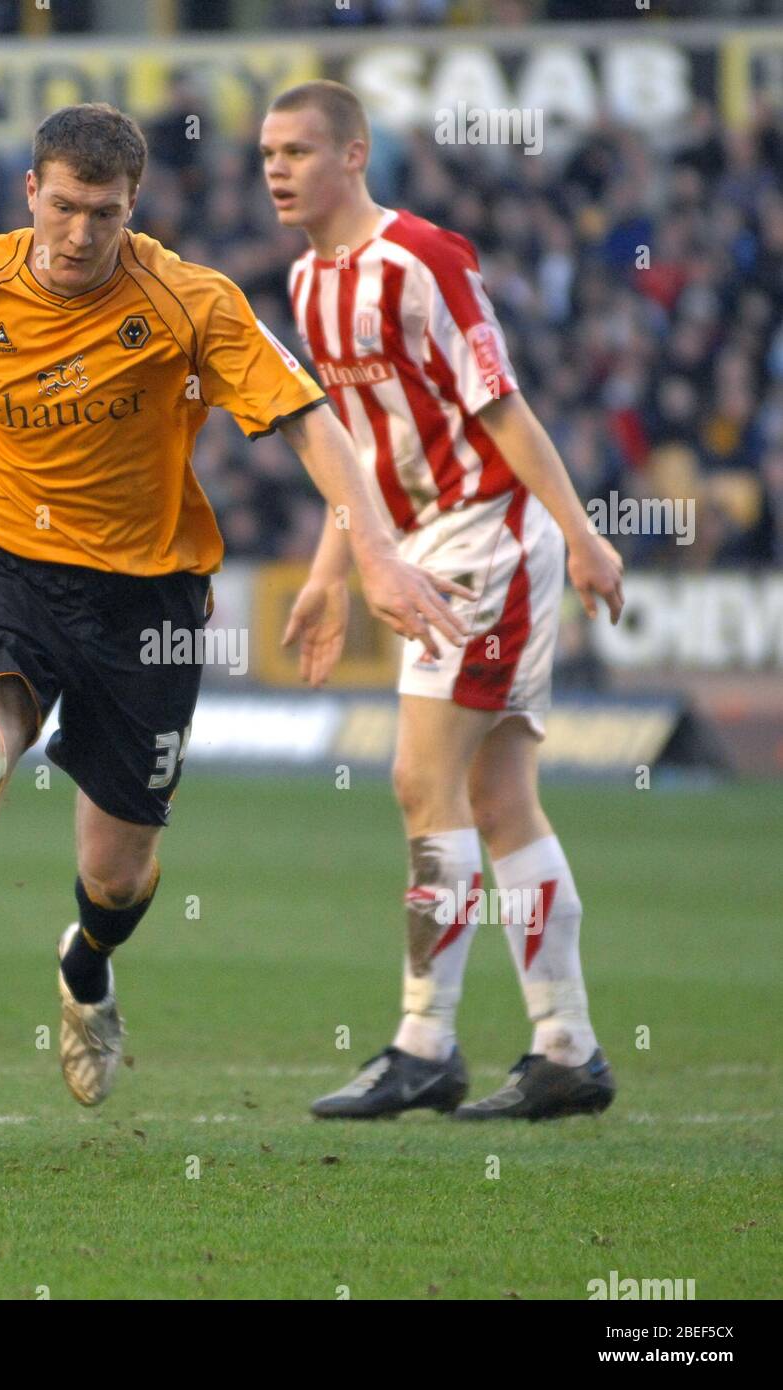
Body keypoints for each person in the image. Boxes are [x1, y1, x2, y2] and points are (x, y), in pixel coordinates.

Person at [0, 103, 470, 1163]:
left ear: (131, 209)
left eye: (101, 214)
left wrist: (375, 554)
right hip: (2, 578)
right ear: (30, 194)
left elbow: (310, 421)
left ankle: (87, 963)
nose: (77, 234)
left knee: (118, 874)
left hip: (145, 609)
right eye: (62, 207)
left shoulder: (190, 301)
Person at [263, 81, 625, 1121]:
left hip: (491, 538)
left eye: (297, 150)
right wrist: (332, 573)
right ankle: (566, 1048)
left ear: (355, 155)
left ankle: (426, 1040)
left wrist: (583, 528)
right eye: (266, 153)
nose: (277, 168)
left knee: (421, 782)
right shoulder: (305, 282)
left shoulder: (426, 258)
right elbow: (354, 454)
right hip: (421, 545)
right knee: (498, 799)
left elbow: (501, 404)